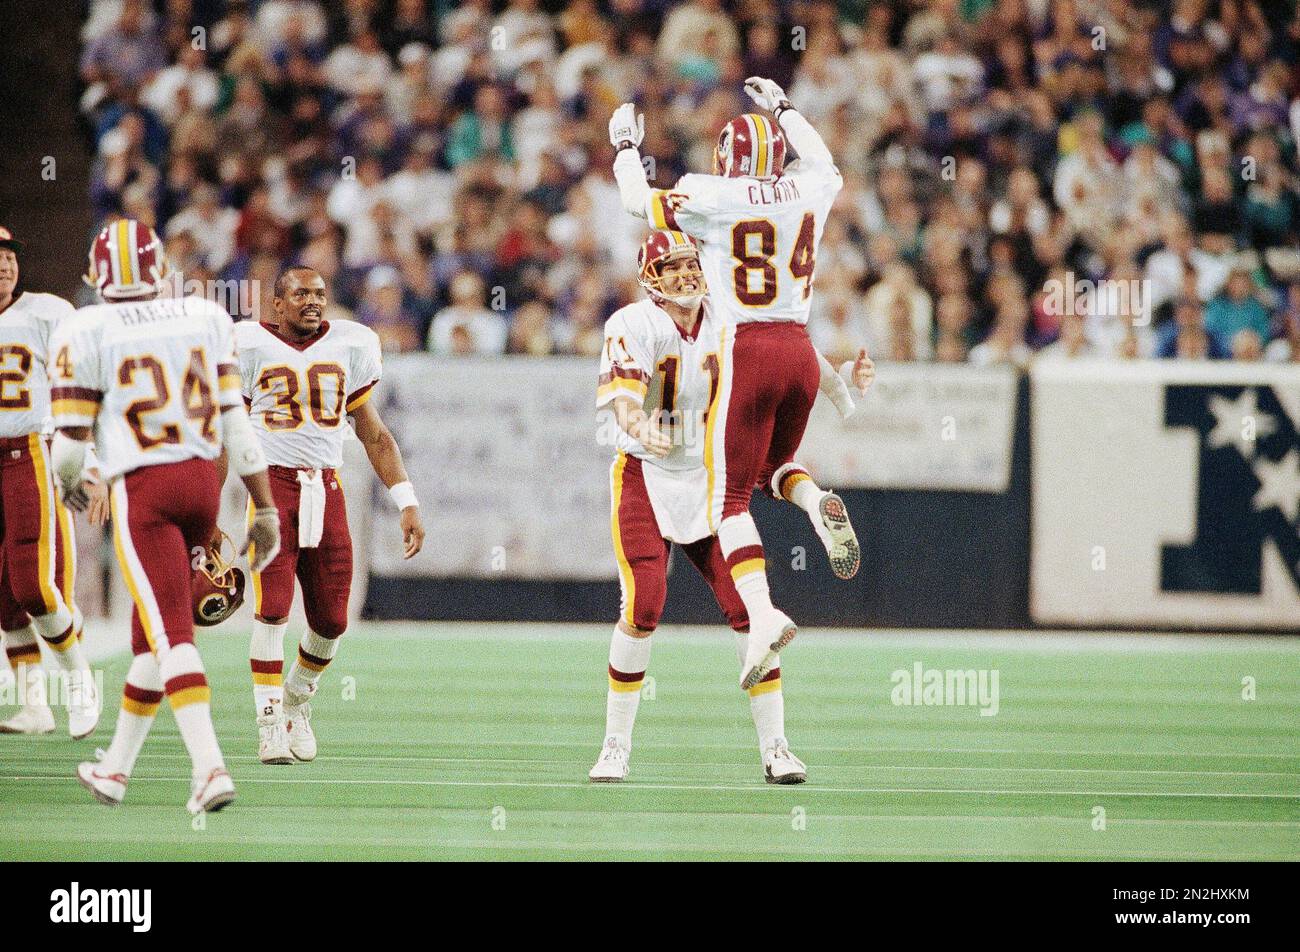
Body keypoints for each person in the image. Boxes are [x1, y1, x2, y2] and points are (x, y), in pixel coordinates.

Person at [590, 231, 872, 784]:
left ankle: (777, 749)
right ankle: (615, 744)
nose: (687, 274)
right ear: (651, 278)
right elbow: (624, 400)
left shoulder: (727, 313)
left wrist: (841, 383)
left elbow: (792, 355)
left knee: (751, 616)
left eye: (692, 264)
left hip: (715, 475)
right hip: (647, 473)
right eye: (672, 267)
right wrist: (641, 424)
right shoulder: (632, 324)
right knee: (644, 606)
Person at [609, 77, 848, 689]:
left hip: (747, 346)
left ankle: (764, 616)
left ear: (726, 156)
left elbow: (639, 202)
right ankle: (814, 502)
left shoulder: (710, 193)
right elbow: (825, 163)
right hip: (800, 345)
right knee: (777, 468)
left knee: (728, 502)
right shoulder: (811, 186)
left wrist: (625, 147)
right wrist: (787, 108)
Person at [52, 219, 281, 814]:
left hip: (146, 490)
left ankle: (208, 769)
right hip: (202, 484)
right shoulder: (203, 316)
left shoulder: (86, 327)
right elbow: (237, 422)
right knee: (151, 635)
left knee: (171, 634)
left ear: (95, 277)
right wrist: (265, 506)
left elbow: (70, 449)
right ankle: (115, 771)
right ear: (159, 271)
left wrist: (72, 486)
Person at [228, 267, 425, 765]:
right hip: (270, 488)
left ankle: (296, 698)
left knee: (332, 621)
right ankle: (269, 721)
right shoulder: (248, 346)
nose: (313, 302)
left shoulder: (351, 344)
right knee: (272, 607)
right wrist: (207, 515)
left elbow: (374, 434)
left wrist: (406, 500)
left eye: (319, 293)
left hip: (327, 486)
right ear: (277, 304)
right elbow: (223, 435)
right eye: (300, 294)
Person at [0, 225, 100, 738]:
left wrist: (88, 460)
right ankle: (34, 705)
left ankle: (81, 685)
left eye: (10, 253)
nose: (4, 263)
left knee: (35, 587)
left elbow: (78, 389)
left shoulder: (46, 313)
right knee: (4, 598)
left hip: (28, 454)